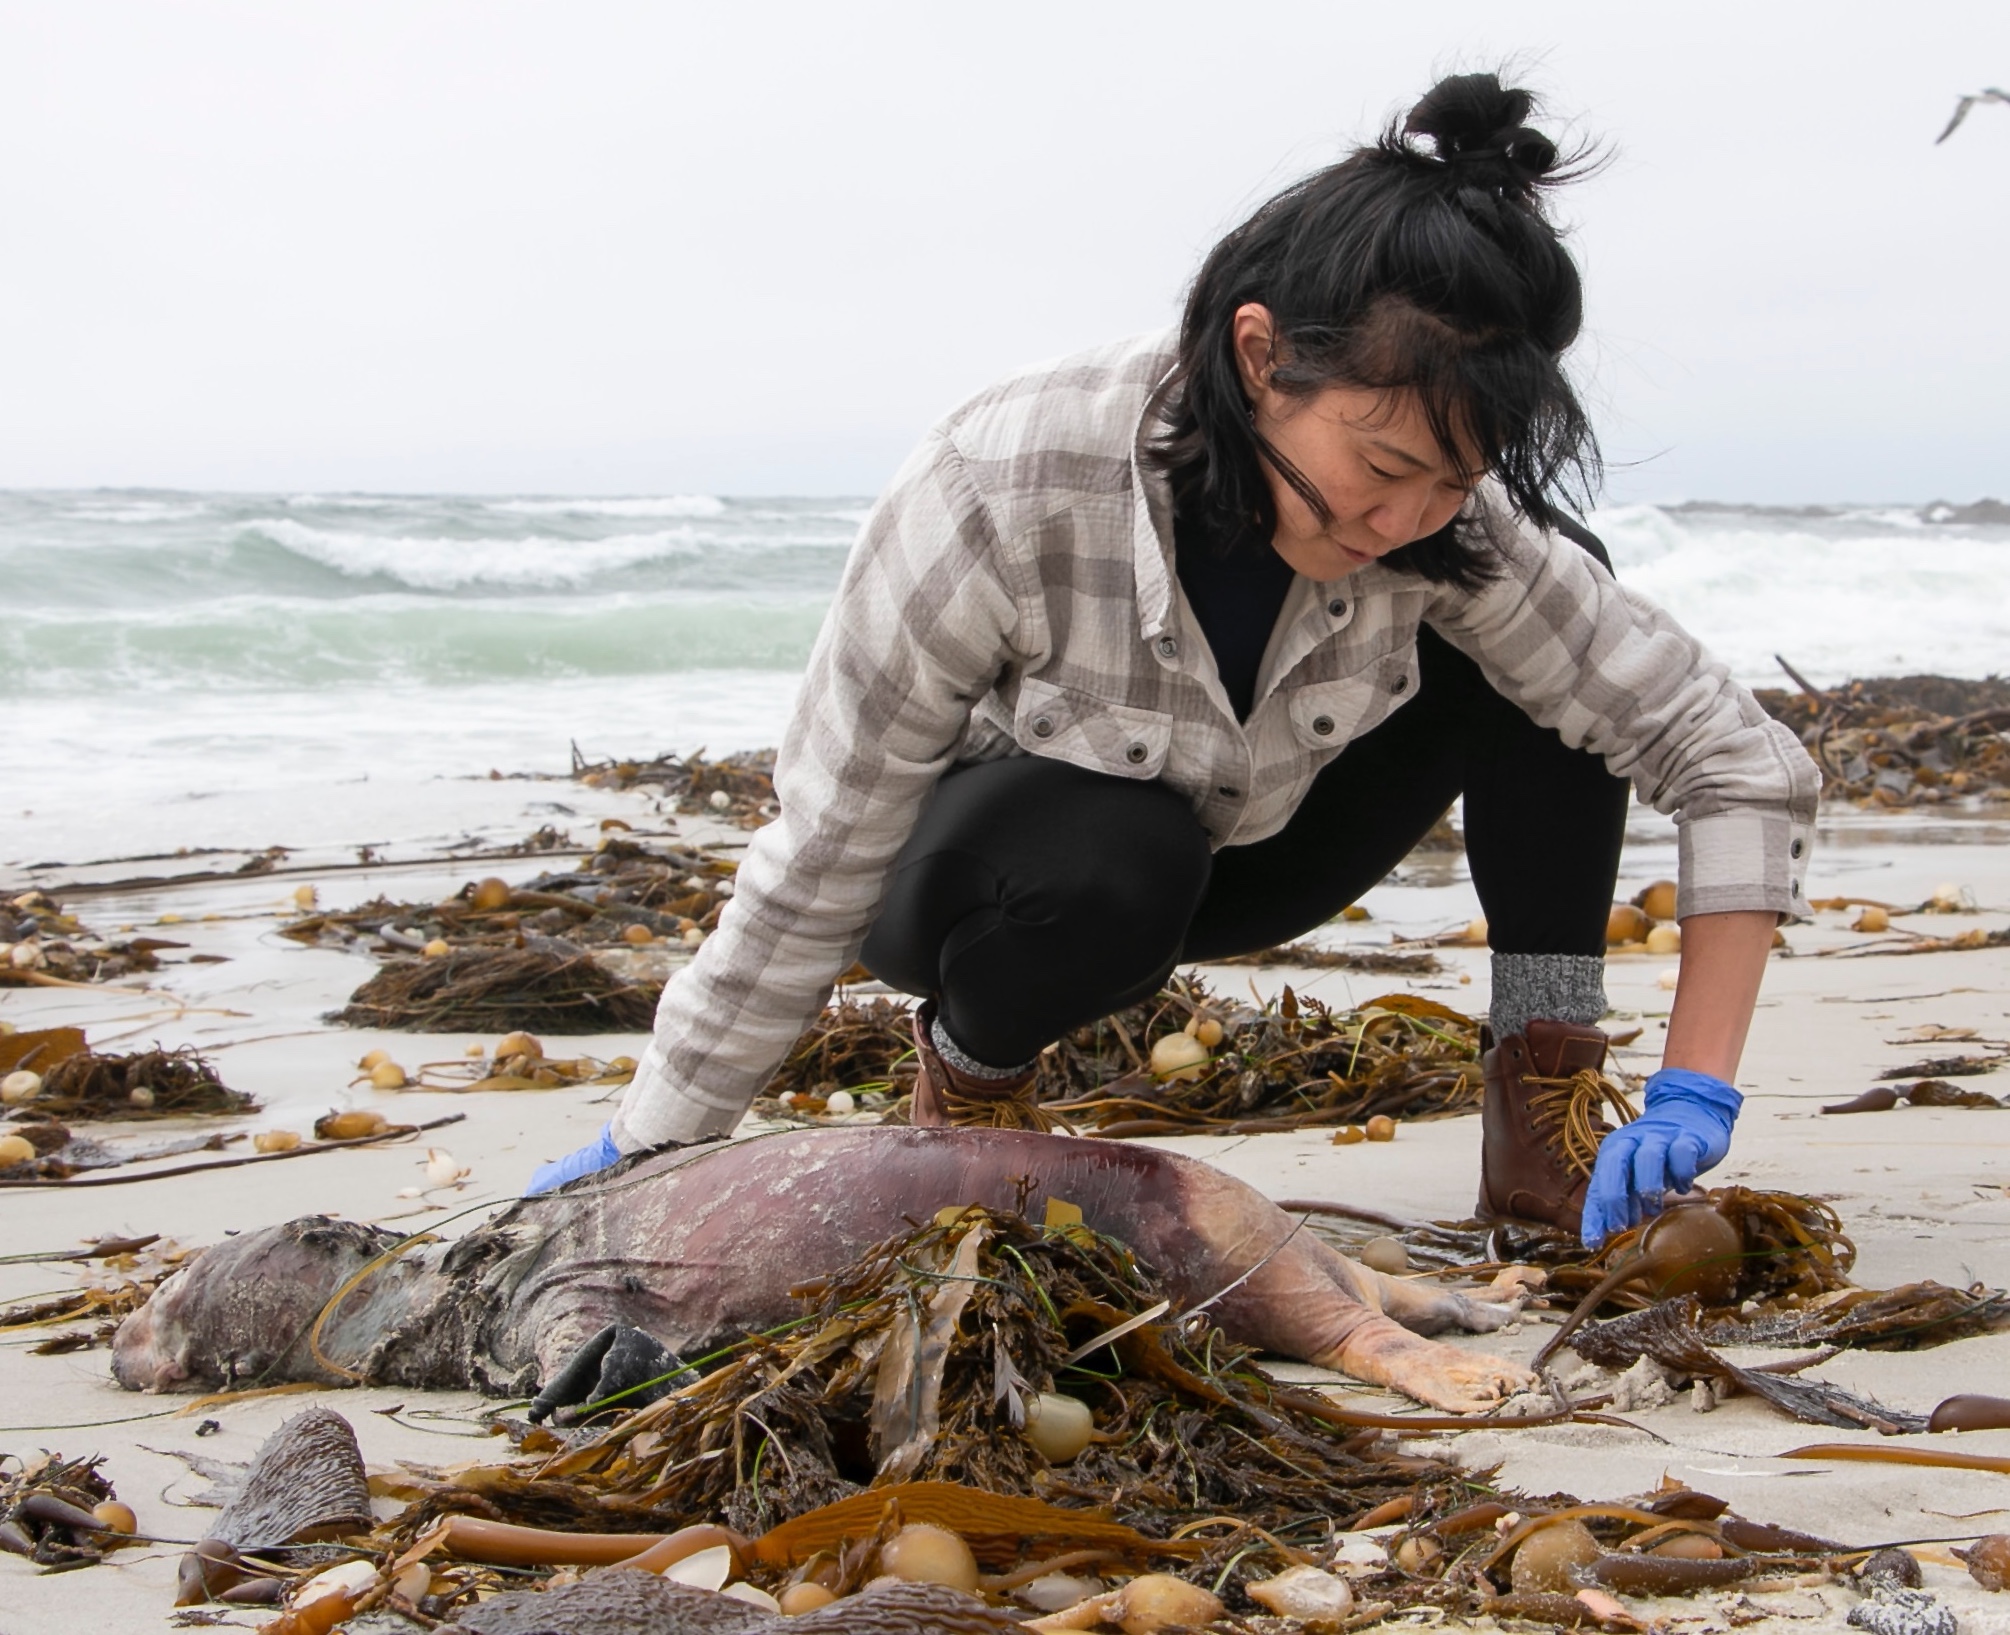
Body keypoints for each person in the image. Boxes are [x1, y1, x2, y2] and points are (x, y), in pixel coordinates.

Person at [529, 73, 1819, 1248]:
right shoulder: (1004, 479)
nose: (1398, 522)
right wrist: (652, 1150)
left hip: (1262, 854)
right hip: (1000, 881)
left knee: (1547, 659)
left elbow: (1734, 758)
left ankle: (1546, 1103)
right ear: (1261, 358)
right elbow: (819, 855)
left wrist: (1695, 1082)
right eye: (1377, 469)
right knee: (1111, 860)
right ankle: (972, 1086)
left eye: (1450, 481)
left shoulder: (1443, 530)